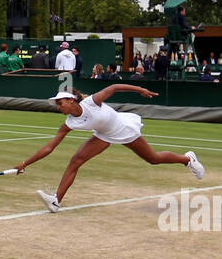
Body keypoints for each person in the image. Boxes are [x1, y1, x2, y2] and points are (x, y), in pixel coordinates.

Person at [15, 85, 205, 213]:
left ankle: (188, 159)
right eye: (57, 104)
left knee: (153, 159)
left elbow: (114, 88)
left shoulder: (92, 102)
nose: (58, 107)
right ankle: (56, 201)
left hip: (123, 128)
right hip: (103, 135)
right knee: (76, 160)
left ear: (71, 100)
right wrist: (25, 163)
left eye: (60, 103)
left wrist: (141, 90)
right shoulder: (69, 122)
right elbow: (49, 147)